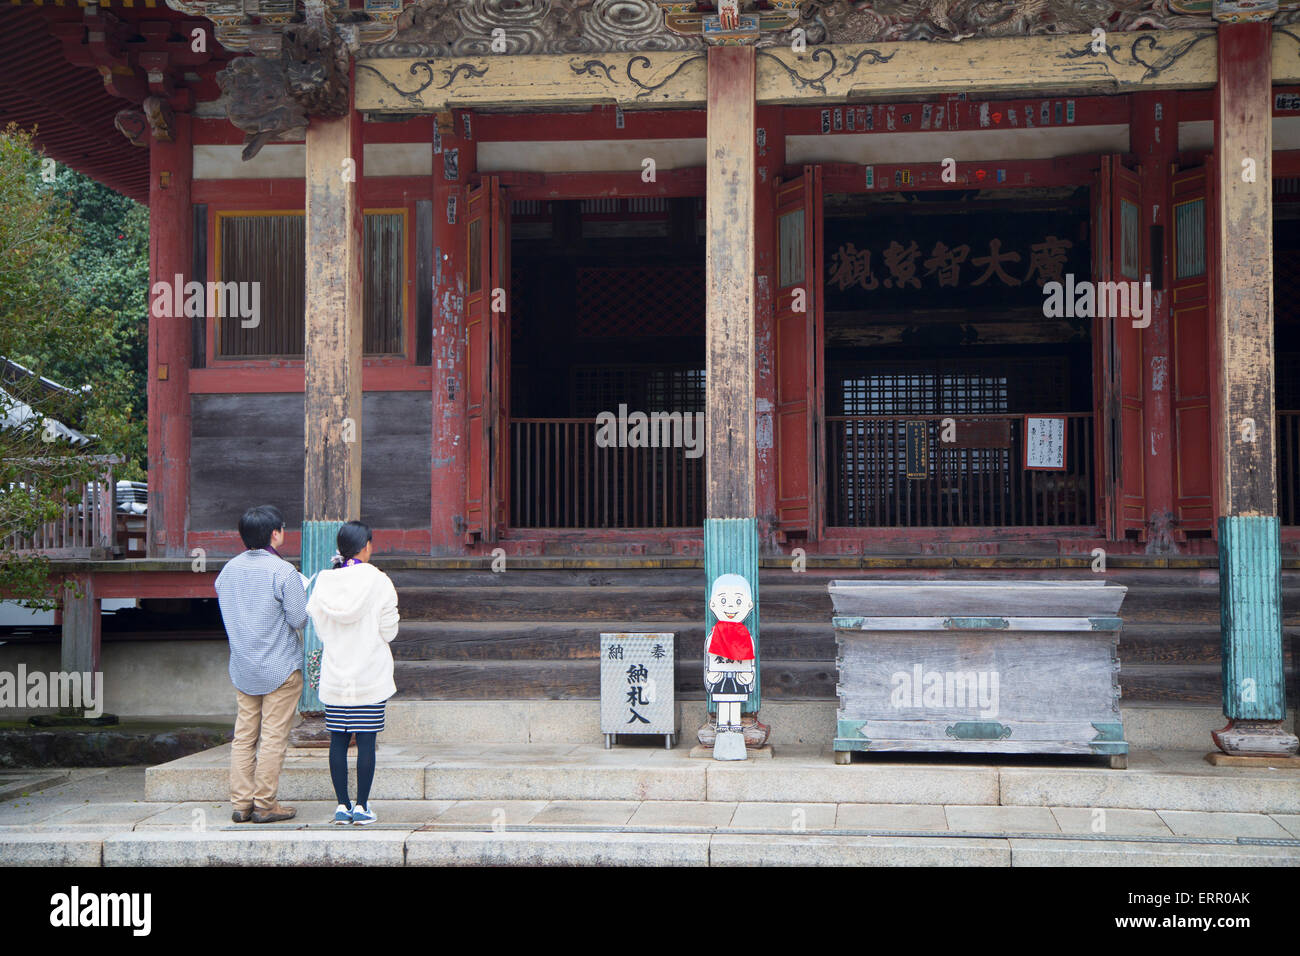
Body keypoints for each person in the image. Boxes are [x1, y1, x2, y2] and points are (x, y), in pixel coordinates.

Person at [213, 505, 307, 824]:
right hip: (280, 666)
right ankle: (265, 803)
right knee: (273, 737)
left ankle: (241, 804)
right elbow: (299, 618)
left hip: (243, 666)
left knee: (244, 736)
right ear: (275, 534)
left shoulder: (227, 571)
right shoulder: (283, 572)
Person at [306, 520, 399, 825]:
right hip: (370, 673)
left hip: (337, 672)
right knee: (367, 740)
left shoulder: (324, 581)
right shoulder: (379, 581)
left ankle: (341, 805)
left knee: (338, 740)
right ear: (366, 545)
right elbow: (389, 630)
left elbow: (319, 628)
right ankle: (362, 805)